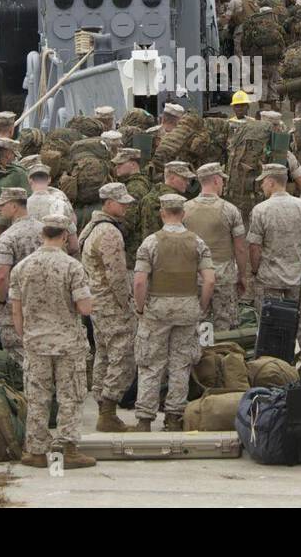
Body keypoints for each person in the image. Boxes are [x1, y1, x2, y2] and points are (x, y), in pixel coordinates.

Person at [13, 214, 96, 469]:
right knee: (70, 396)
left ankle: (36, 452)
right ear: (65, 236)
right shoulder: (72, 267)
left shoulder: (22, 267)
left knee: (37, 397)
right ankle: (68, 450)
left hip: (36, 343)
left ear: (42, 235)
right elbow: (84, 308)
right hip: (67, 344)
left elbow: (16, 312)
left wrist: (26, 337)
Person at [132, 194, 216, 432]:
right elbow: (209, 280)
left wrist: (140, 307)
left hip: (157, 310)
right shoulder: (198, 242)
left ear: (162, 213)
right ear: (183, 213)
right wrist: (201, 306)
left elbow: (139, 282)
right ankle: (173, 417)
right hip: (187, 309)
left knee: (150, 363)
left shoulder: (150, 243)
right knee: (181, 364)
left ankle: (145, 419)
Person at [79, 182, 138, 431]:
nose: (125, 207)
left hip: (96, 300)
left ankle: (103, 403)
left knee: (103, 353)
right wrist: (127, 303)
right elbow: (116, 275)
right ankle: (108, 410)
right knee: (123, 355)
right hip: (112, 303)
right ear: (109, 203)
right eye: (121, 202)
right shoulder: (109, 232)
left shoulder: (91, 228)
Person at [183, 163, 248, 330]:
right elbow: (240, 248)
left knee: (197, 324)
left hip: (193, 276)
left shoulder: (185, 209)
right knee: (225, 325)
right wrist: (242, 275)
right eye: (222, 181)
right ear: (216, 180)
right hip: (223, 278)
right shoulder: (230, 210)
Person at [247, 163, 301, 303]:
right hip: (297, 277)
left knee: (269, 316)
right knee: (296, 316)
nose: (262, 186)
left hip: (269, 279)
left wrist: (254, 271)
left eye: (263, 182)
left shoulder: (260, 210)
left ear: (271, 182)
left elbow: (255, 247)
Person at [0, 187, 40, 365]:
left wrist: (1, 301)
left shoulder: (8, 237)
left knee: (16, 351)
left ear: (14, 206)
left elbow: (2, 276)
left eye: (2, 205)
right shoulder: (44, 230)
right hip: (43, 299)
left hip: (17, 302)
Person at [137, 161, 194, 240]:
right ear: (172, 178)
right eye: (184, 178)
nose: (188, 183)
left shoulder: (150, 195)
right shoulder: (174, 201)